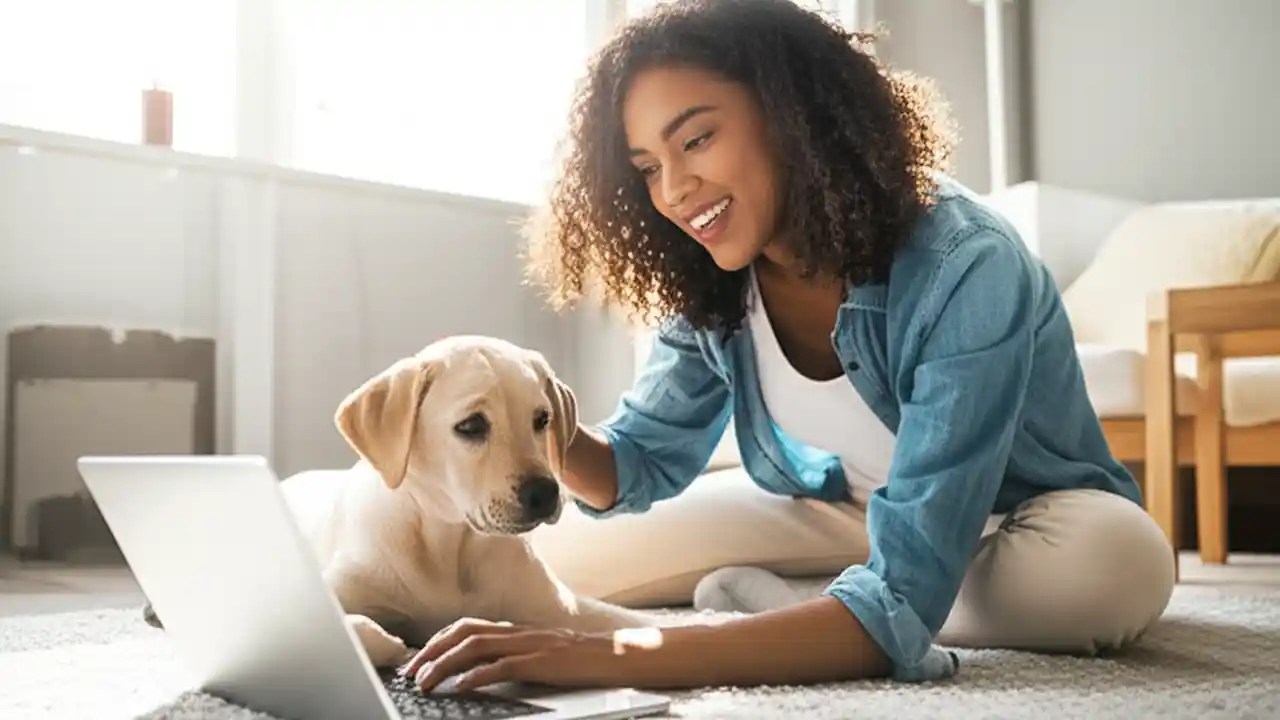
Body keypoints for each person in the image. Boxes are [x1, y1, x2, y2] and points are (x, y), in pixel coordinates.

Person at [404, 0, 1175, 691]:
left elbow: (905, 593)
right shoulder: (715, 279)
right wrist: (521, 399)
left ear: (790, 112)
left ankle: (807, 613)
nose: (674, 191)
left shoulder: (965, 263)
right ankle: (824, 610)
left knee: (1119, 569)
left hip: (1008, 523)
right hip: (836, 505)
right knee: (559, 556)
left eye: (697, 139)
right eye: (648, 169)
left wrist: (616, 655)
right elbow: (631, 467)